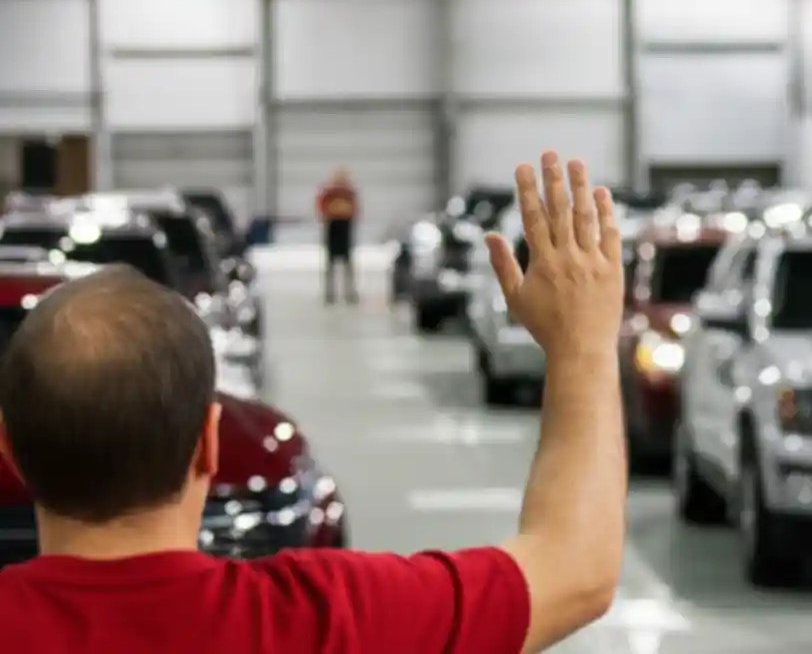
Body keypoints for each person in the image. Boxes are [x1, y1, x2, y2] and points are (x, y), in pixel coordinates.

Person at [0, 151, 626, 654]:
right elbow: (576, 565)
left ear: (11, 449)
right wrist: (583, 346)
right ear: (209, 445)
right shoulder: (333, 619)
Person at [317, 167, 359, 304]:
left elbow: (355, 208)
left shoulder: (349, 193)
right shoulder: (328, 193)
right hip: (333, 227)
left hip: (345, 228)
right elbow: (321, 207)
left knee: (347, 264)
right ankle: (330, 294)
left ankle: (349, 292)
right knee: (330, 264)